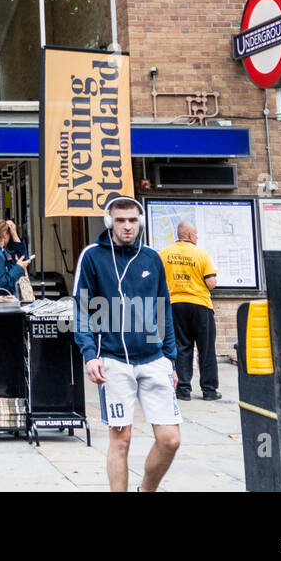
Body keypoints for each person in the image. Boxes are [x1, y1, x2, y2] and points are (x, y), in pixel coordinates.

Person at [73, 195, 180, 492]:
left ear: (140, 222)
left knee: (170, 439)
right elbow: (82, 308)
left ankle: (145, 490)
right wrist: (89, 354)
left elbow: (163, 309)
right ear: (110, 222)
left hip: (153, 357)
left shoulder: (151, 258)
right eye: (120, 220)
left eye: (133, 220)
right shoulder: (93, 256)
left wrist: (170, 359)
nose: (127, 226)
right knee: (122, 438)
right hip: (112, 359)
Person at [159, 220, 220, 400]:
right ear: (191, 235)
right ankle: (209, 390)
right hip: (200, 305)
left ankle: (183, 389)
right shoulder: (201, 254)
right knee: (206, 348)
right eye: (197, 235)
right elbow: (211, 283)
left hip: (174, 305)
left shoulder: (164, 253)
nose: (197, 237)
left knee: (181, 347)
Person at [0, 218, 33, 295]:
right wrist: (18, 268)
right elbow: (0, 284)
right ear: (5, 234)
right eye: (10, 233)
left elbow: (23, 258)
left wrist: (14, 234)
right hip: (0, 302)